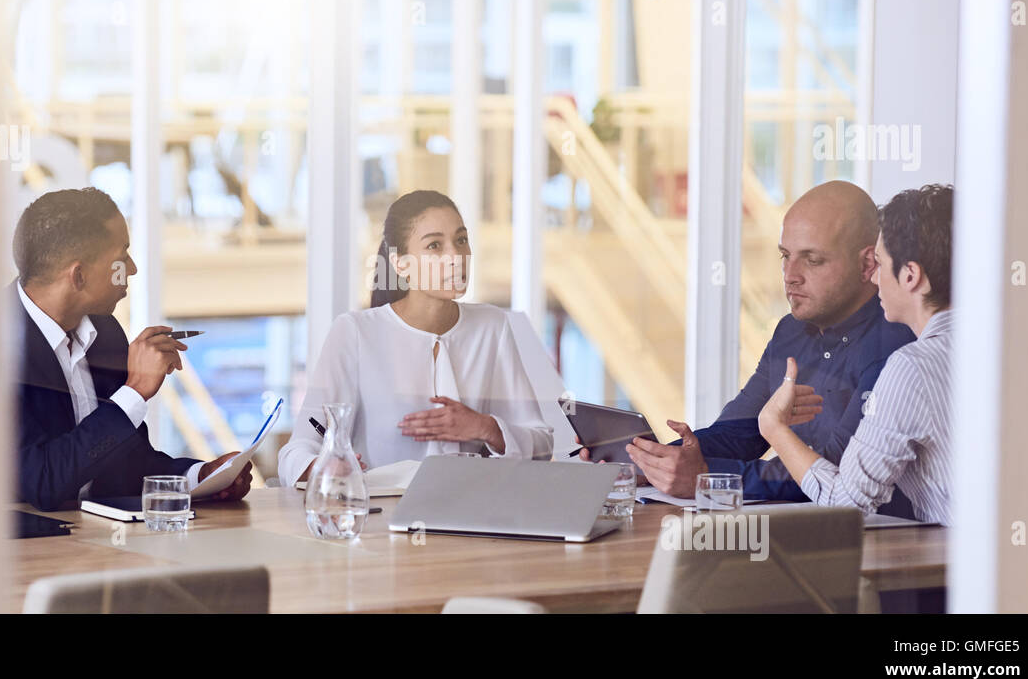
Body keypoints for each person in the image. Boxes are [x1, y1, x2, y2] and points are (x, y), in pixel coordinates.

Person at [592, 181, 917, 510]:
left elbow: (831, 474)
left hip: (883, 540)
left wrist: (705, 478)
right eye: (786, 256)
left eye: (813, 260)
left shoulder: (896, 342)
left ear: (867, 265)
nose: (790, 275)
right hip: (803, 534)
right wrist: (649, 459)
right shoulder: (789, 331)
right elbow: (737, 433)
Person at [277, 190, 553, 486]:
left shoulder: (492, 326)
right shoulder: (355, 333)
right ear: (400, 264)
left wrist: (485, 427)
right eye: (435, 245)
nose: (456, 257)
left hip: (473, 516)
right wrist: (324, 467)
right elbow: (296, 451)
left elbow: (542, 445)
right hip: (382, 521)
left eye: (461, 240)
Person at [12, 187, 252, 511]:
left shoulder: (105, 332)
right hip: (27, 554)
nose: (133, 268)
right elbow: (42, 481)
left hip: (101, 545)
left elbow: (123, 464)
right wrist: (135, 391)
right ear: (79, 275)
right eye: (121, 257)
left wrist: (201, 476)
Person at [759, 185, 954, 524]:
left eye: (878, 264)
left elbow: (847, 505)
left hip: (964, 572)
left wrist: (774, 428)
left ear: (910, 276)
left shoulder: (912, 368)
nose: (873, 278)